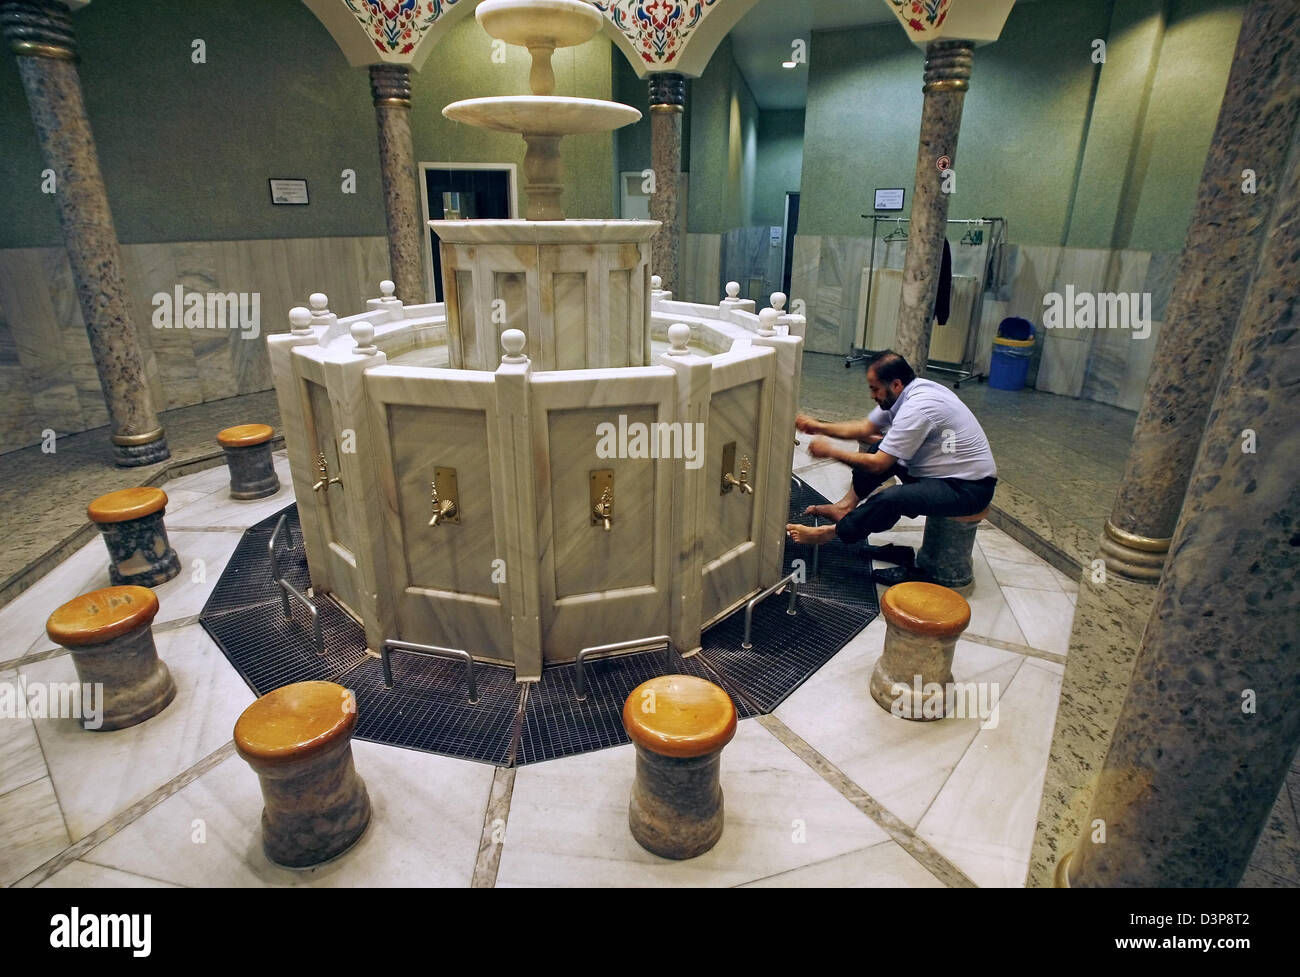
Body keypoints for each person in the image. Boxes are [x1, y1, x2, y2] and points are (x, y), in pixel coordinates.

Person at [786, 350, 997, 585]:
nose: (872, 395)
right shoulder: (907, 392)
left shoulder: (918, 407)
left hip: (969, 488)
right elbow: (865, 428)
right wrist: (817, 427)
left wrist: (832, 452)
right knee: (879, 447)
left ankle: (828, 534)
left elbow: (879, 466)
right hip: (944, 473)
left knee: (892, 497)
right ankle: (845, 507)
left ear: (895, 384)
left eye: (875, 389)